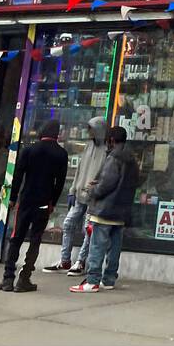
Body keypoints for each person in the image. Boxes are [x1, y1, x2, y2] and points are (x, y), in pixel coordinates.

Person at [0, 121, 68, 293]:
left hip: (26, 200)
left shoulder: (29, 150)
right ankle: (25, 277)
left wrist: (13, 198)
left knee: (16, 239)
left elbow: (18, 175)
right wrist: (53, 202)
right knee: (35, 240)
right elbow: (60, 183)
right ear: (57, 134)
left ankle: (8, 278)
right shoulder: (61, 153)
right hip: (44, 202)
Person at [70, 125, 138, 293]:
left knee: (97, 245)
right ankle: (109, 279)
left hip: (105, 209)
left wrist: (92, 189)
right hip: (121, 210)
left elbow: (107, 184)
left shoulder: (114, 157)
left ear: (112, 140)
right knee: (115, 246)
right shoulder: (132, 159)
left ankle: (92, 280)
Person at [42, 115, 108, 275]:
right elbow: (80, 169)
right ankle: (65, 260)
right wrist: (72, 189)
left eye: (92, 129)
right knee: (68, 224)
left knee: (88, 229)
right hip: (79, 194)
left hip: (93, 196)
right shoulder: (88, 146)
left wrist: (94, 189)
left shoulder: (106, 150)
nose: (89, 132)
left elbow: (104, 174)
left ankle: (81, 262)